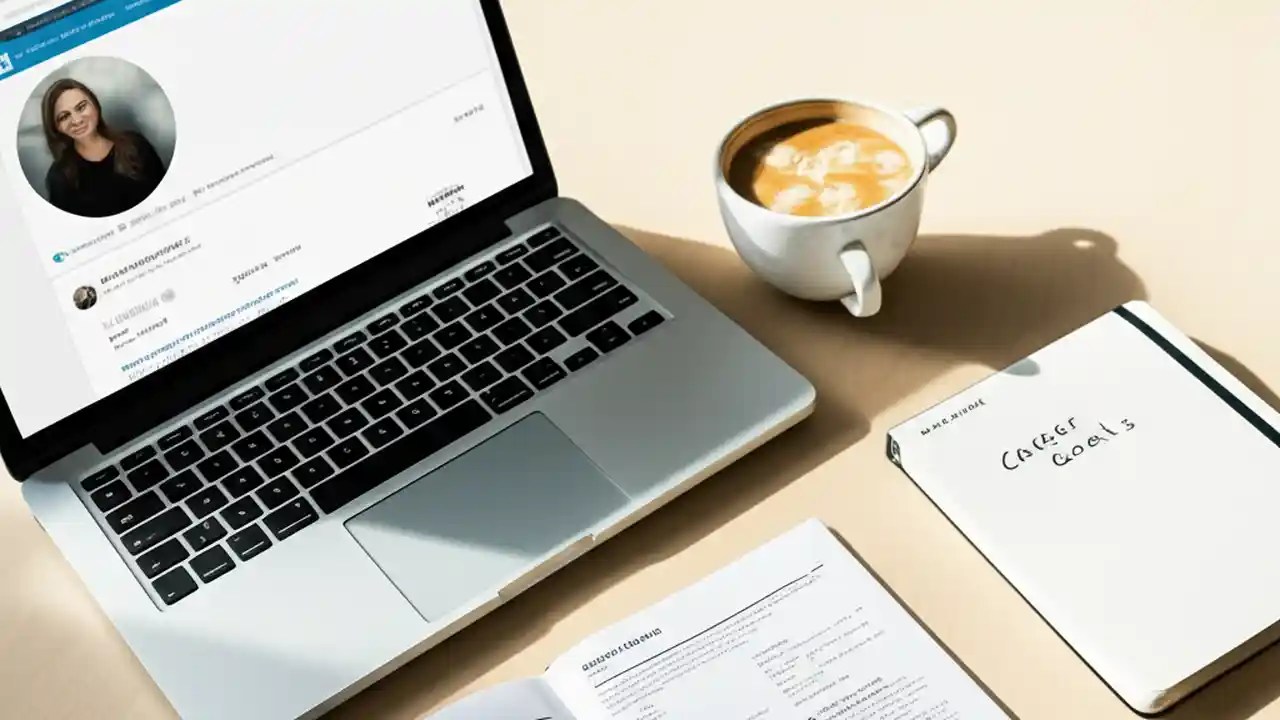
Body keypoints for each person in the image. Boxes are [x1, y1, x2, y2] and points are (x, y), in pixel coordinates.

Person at [41, 78, 167, 218]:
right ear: (56, 127)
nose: (76, 120)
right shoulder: (59, 177)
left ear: (95, 104)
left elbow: (168, 194)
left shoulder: (136, 145)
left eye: (81, 107)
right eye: (64, 116)